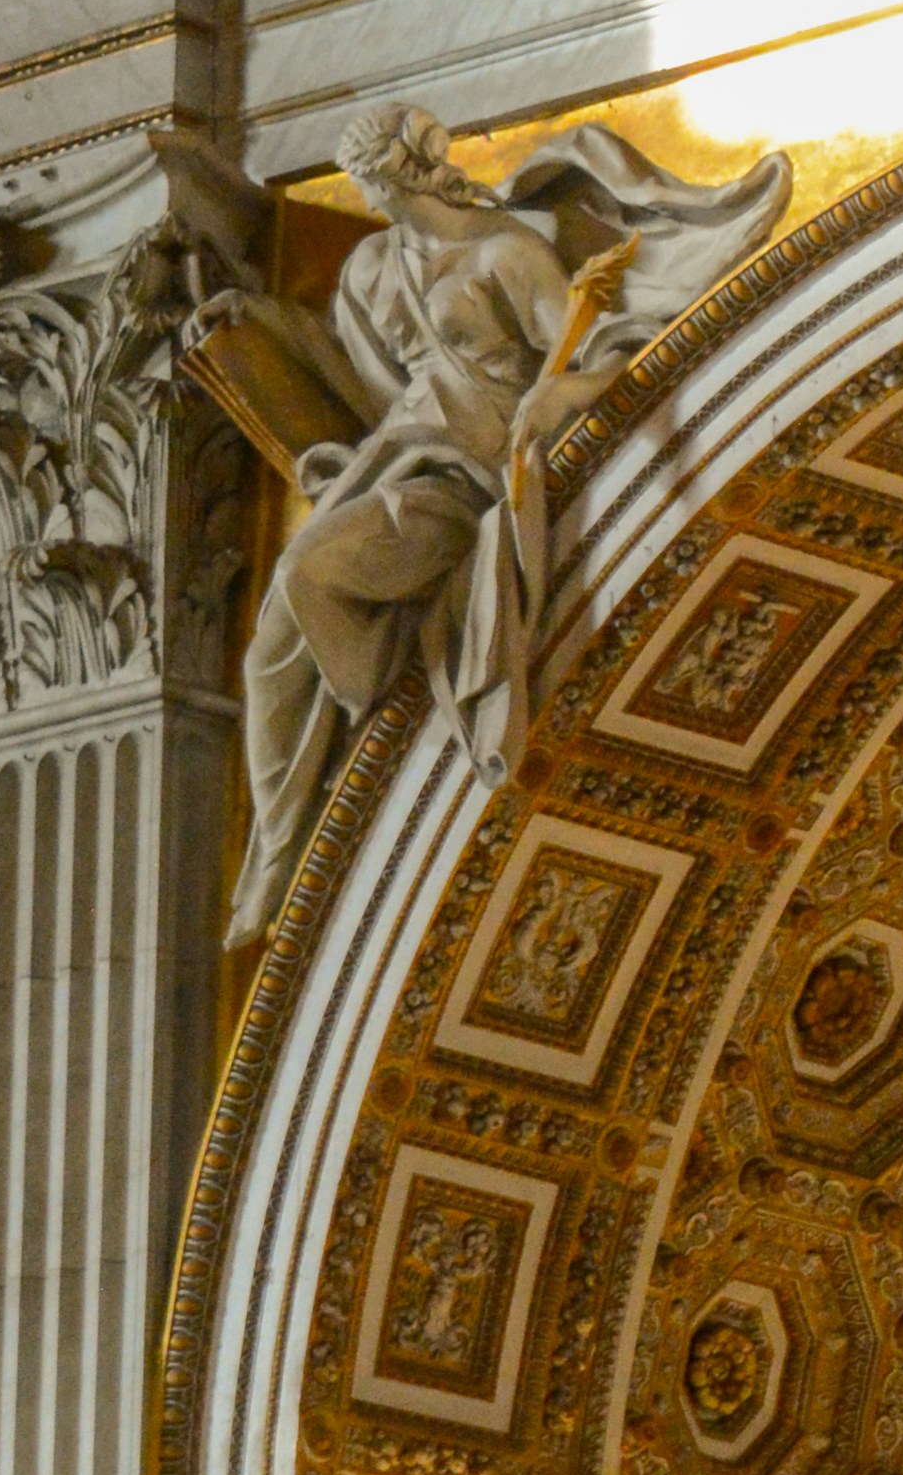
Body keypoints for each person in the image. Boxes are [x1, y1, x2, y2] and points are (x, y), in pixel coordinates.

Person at [225, 99, 783, 941]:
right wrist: (265, 332)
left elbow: (592, 355)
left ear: (413, 170)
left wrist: (560, 391)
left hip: (465, 479)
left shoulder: (506, 254)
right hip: (397, 464)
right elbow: (364, 396)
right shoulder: (372, 271)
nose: (373, 198)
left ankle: (382, 728)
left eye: (379, 179)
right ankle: (284, 843)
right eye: (364, 185)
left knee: (310, 574)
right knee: (270, 648)